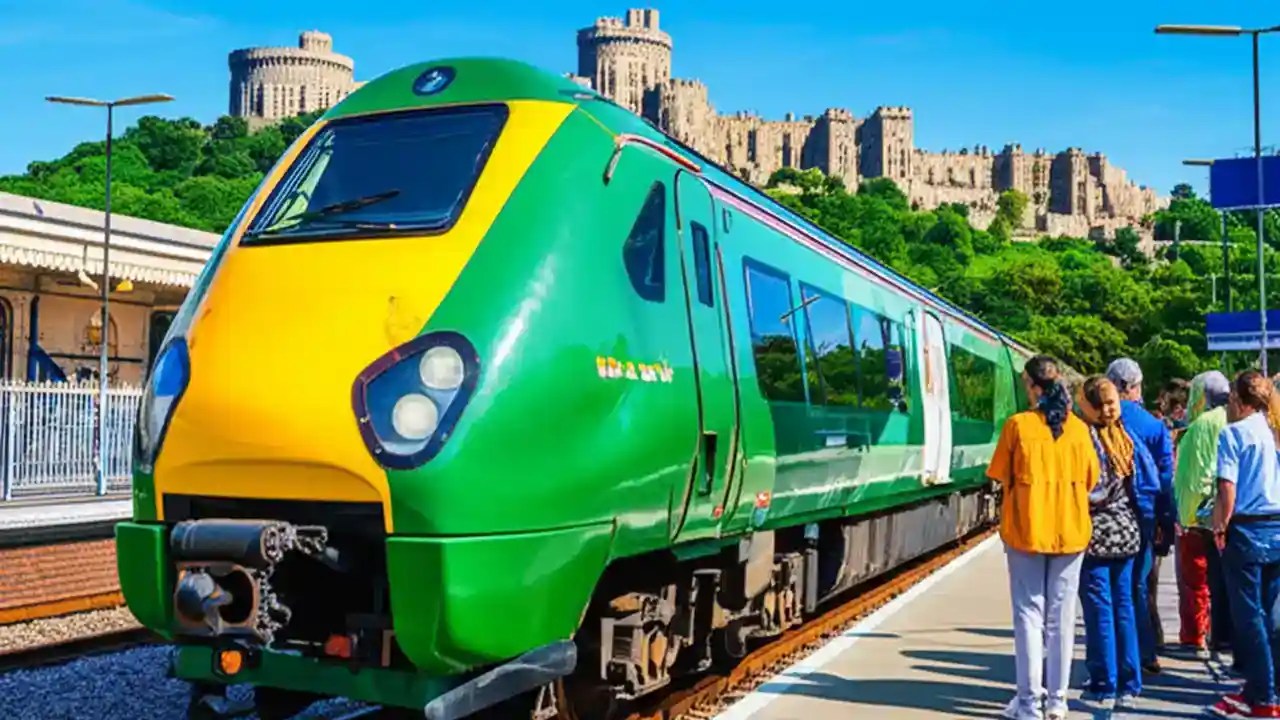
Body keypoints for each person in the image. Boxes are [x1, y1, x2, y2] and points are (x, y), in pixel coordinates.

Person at [988, 355, 1099, 720]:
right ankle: (1058, 702)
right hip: (1070, 532)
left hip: (1026, 531)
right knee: (1062, 618)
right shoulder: (1080, 430)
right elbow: (1091, 480)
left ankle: (1028, 703)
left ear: (1034, 387)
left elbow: (1000, 474)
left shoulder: (1017, 426)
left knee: (1028, 616)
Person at [1075, 376, 1158, 710]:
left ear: (1088, 407)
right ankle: (1130, 682)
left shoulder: (1088, 438)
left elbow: (1094, 491)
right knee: (1124, 606)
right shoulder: (1125, 437)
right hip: (1128, 531)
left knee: (1100, 610)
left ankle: (1104, 684)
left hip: (1098, 534)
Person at [1207, 371, 1280, 719]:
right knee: (1271, 614)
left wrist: (1219, 525)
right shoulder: (1273, 431)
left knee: (1249, 616)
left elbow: (1227, 489)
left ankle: (1264, 696)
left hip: (1248, 528)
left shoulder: (1233, 434)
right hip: (1277, 525)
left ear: (1238, 400)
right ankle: (1261, 686)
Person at [1105, 358, 1176, 673]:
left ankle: (1113, 659)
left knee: (1104, 588)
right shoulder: (1153, 425)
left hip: (1104, 515)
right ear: (1131, 387)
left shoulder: (1096, 422)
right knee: (1137, 586)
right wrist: (1166, 522)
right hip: (1143, 514)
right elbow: (1165, 480)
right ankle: (1146, 655)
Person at [1171, 371, 1231, 658]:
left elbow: (1192, 478)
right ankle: (1221, 636)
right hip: (1229, 511)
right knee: (1221, 580)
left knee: (1195, 579)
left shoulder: (1201, 426)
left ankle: (1195, 635)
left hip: (1197, 514)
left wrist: (1186, 516)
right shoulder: (1236, 418)